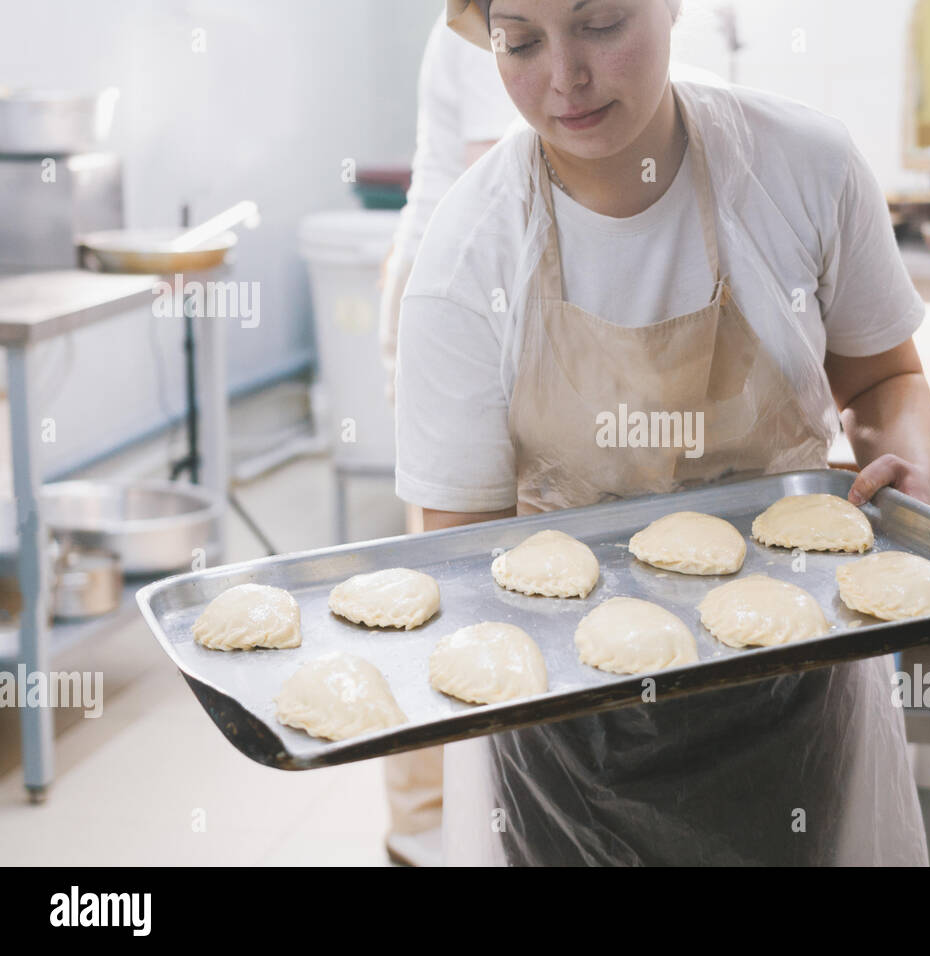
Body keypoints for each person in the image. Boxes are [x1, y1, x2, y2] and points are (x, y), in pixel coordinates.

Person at [395, 0, 930, 865]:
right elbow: (461, 563)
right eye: (522, 41)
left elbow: (882, 377)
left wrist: (900, 458)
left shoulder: (804, 167)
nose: (566, 77)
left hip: (794, 699)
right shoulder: (468, 261)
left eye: (601, 23)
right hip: (567, 751)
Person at [379, 11, 519, 868]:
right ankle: (422, 827)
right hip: (451, 294)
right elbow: (490, 171)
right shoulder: (491, 21)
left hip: (478, 290)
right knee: (440, 585)